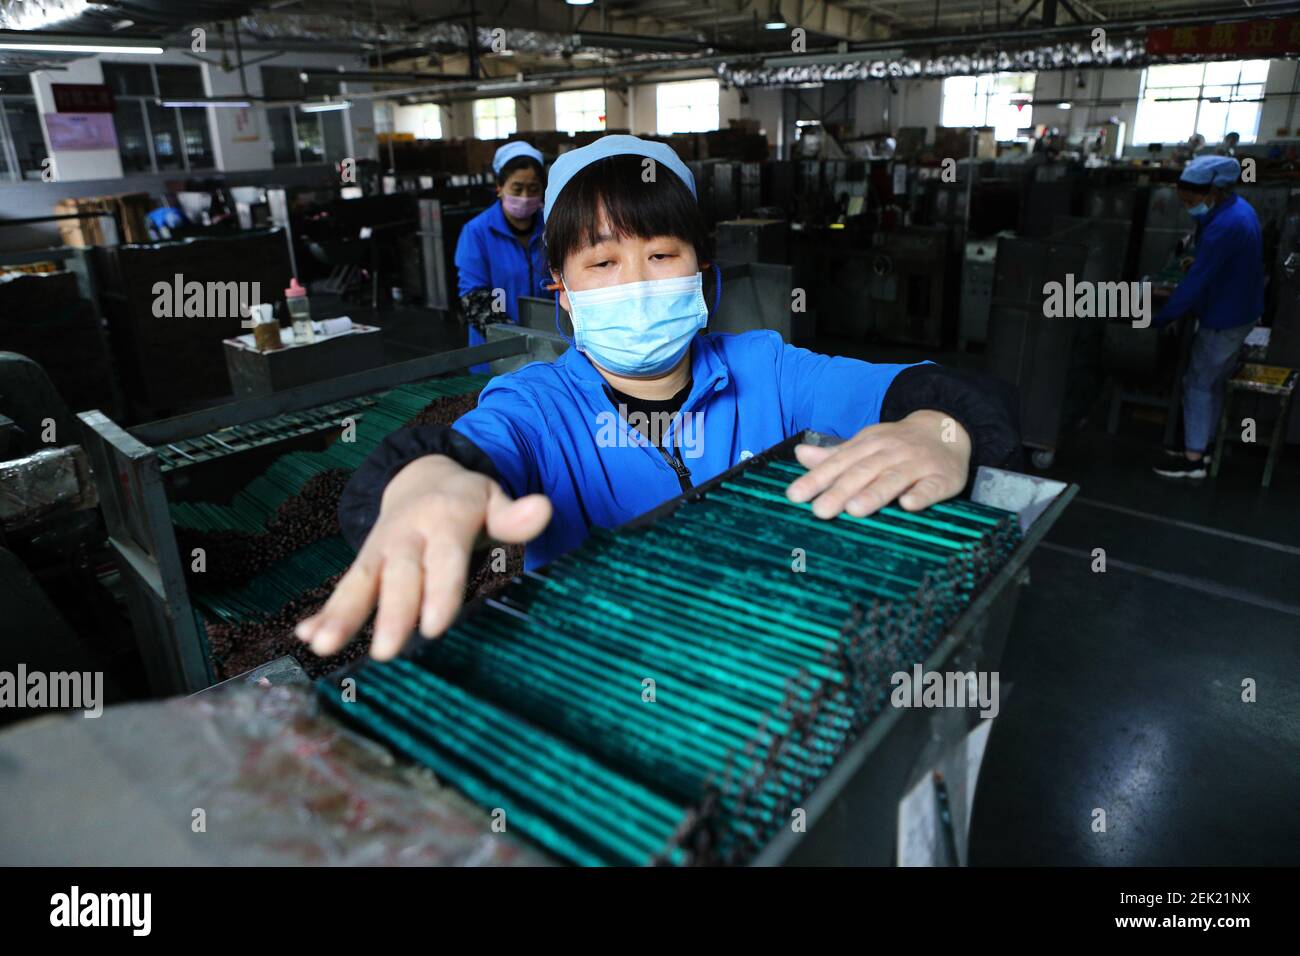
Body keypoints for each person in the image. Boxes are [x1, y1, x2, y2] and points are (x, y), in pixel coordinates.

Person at [296, 134, 1022, 661]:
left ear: (704, 272)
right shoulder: (537, 405)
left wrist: (938, 428)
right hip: (606, 681)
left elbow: (933, 389)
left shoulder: (767, 371)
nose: (638, 283)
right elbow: (463, 452)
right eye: (603, 262)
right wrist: (430, 486)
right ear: (565, 293)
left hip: (769, 666)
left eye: (661, 255)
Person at [1151, 155, 1262, 481]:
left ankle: (1193, 459)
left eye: (1191, 201)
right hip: (1241, 310)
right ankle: (1202, 443)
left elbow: (1196, 283)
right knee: (1211, 383)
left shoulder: (1226, 226)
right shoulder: (1238, 209)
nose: (1188, 207)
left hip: (1225, 317)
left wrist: (1159, 317)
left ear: (1214, 192)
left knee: (1197, 383)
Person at [453, 140, 548, 372]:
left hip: (548, 351)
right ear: (499, 187)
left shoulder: (552, 228)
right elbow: (475, 297)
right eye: (517, 188)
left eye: (533, 189)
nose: (525, 196)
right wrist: (514, 339)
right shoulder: (477, 232)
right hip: (495, 354)